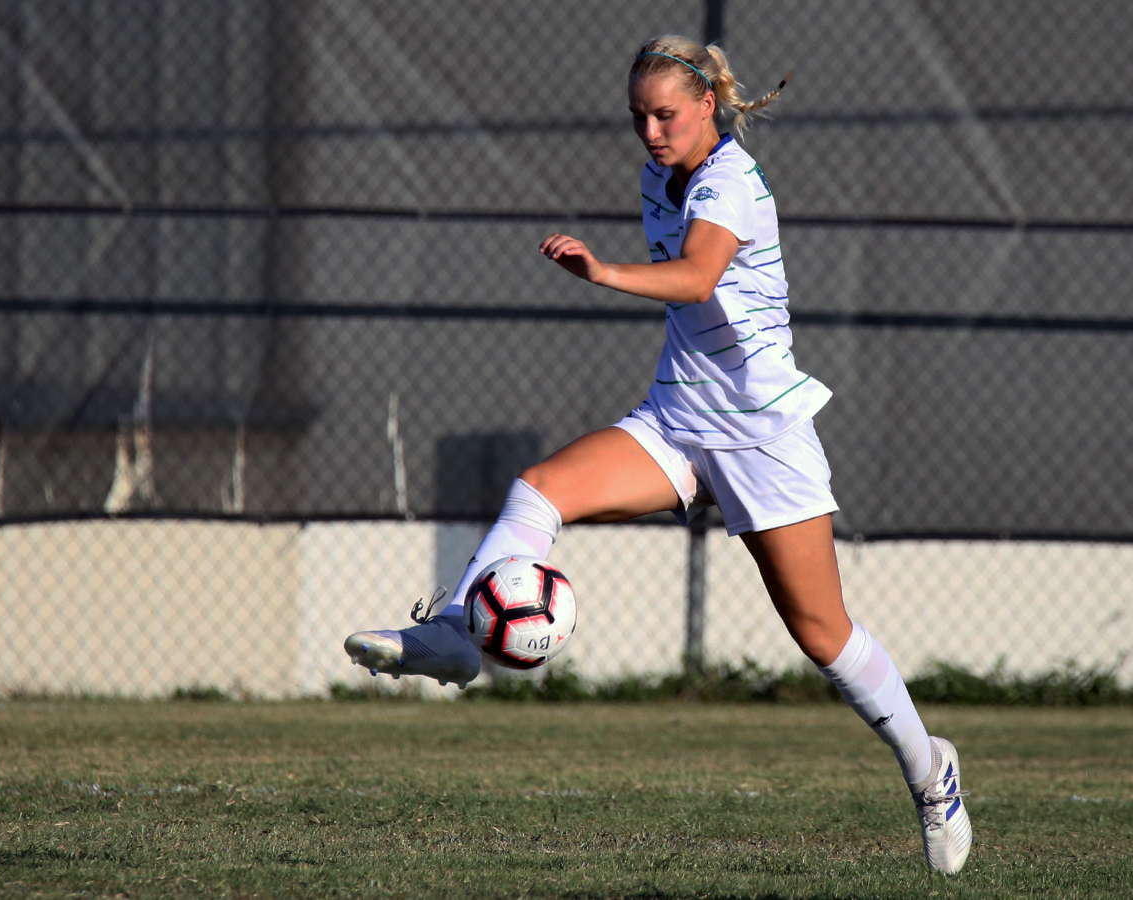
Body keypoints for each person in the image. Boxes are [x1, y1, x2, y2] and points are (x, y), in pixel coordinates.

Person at [345, 34, 972, 875]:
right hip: (677, 418)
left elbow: (698, 278)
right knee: (538, 491)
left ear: (707, 107)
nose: (650, 131)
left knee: (821, 633)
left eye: (666, 114)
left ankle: (931, 772)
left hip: (758, 430)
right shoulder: (660, 174)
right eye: (639, 116)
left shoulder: (730, 181)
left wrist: (603, 273)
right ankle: (461, 632)